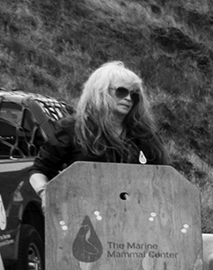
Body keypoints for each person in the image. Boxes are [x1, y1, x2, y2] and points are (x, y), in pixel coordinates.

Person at [29, 61, 168, 202]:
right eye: (121, 91)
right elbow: (40, 170)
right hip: (84, 215)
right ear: (101, 92)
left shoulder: (145, 135)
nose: (128, 98)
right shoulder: (74, 129)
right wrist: (44, 194)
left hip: (136, 215)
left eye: (134, 95)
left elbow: (165, 176)